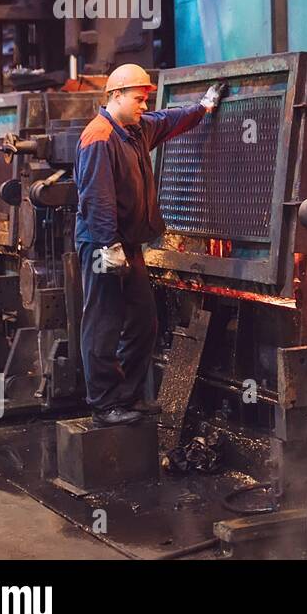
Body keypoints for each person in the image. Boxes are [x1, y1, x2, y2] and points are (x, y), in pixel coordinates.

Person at [75, 64, 225, 427]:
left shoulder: (135, 130)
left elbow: (170, 119)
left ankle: (127, 397)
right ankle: (104, 403)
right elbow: (98, 199)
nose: (144, 105)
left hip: (127, 244)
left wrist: (203, 108)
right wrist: (108, 246)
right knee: (104, 323)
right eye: (139, 99)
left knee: (143, 321)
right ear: (115, 96)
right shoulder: (99, 137)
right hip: (102, 245)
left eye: (146, 100)